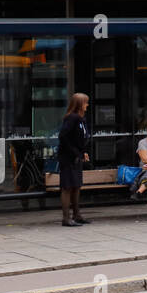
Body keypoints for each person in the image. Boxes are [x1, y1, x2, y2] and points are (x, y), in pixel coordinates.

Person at [57, 93, 91, 227]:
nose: (87, 105)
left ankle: (77, 215)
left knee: (76, 185)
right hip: (68, 158)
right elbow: (63, 137)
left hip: (77, 157)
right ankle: (66, 218)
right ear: (79, 104)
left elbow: (81, 139)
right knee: (67, 187)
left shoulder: (82, 119)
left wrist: (83, 152)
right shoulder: (72, 118)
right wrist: (76, 153)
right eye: (85, 102)